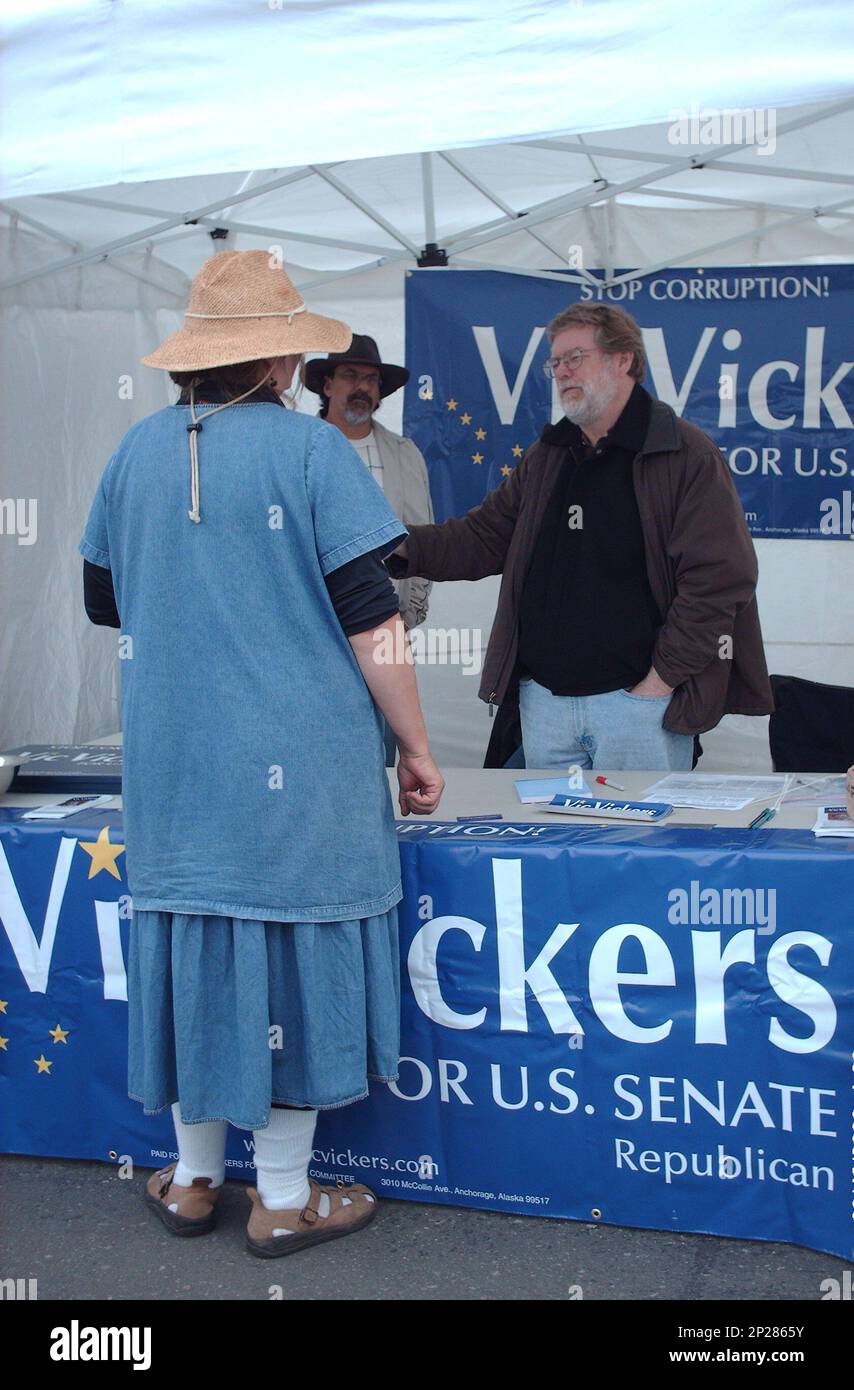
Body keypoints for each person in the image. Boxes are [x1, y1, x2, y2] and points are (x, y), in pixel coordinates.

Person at [79, 249, 444, 1259]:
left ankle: (194, 1179)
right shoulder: (313, 453)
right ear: (282, 364)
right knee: (290, 959)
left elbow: (104, 601)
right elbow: (374, 619)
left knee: (197, 944)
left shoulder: (132, 453)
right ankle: (281, 1196)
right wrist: (414, 745)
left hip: (175, 766)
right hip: (305, 769)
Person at [387, 302, 773, 772]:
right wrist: (394, 546)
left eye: (575, 358)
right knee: (551, 846)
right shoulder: (549, 454)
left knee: (638, 845)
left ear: (622, 359)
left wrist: (658, 683)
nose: (562, 372)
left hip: (640, 709)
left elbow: (720, 580)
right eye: (555, 363)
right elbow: (483, 537)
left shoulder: (683, 454)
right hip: (544, 703)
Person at [304, 335, 434, 765]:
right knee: (315, 755)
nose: (362, 387)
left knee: (379, 756)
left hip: (384, 628)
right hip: (309, 633)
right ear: (327, 385)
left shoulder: (403, 454)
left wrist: (407, 613)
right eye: (351, 375)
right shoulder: (296, 447)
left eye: (372, 380)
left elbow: (419, 537)